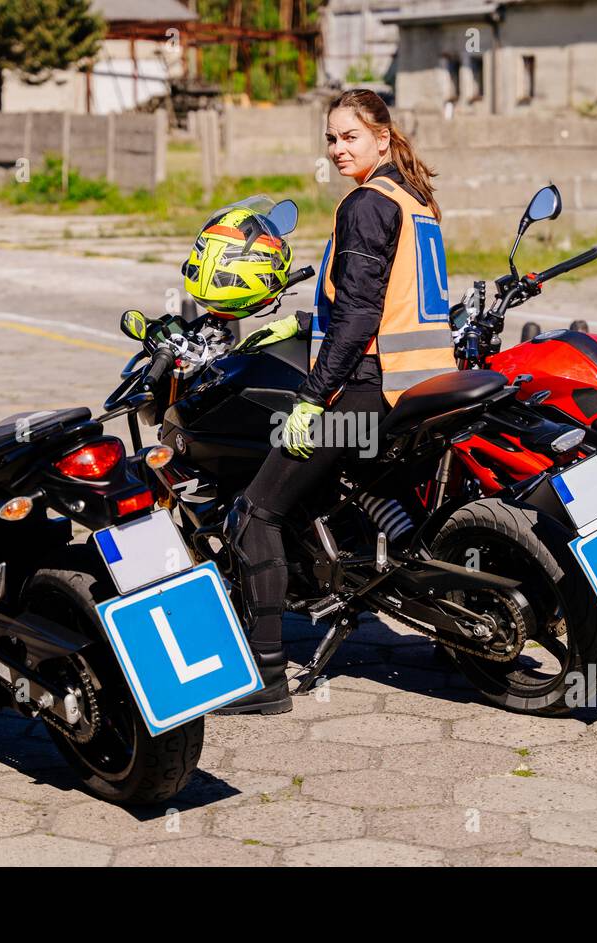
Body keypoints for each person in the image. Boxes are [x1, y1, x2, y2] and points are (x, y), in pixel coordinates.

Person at [216, 88, 457, 715]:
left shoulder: (367, 203)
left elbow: (358, 316)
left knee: (256, 513)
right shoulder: (416, 197)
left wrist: (311, 398)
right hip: (422, 386)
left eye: (350, 136)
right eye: (330, 137)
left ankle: (264, 678)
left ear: (383, 136)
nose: (338, 148)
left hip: (368, 390)